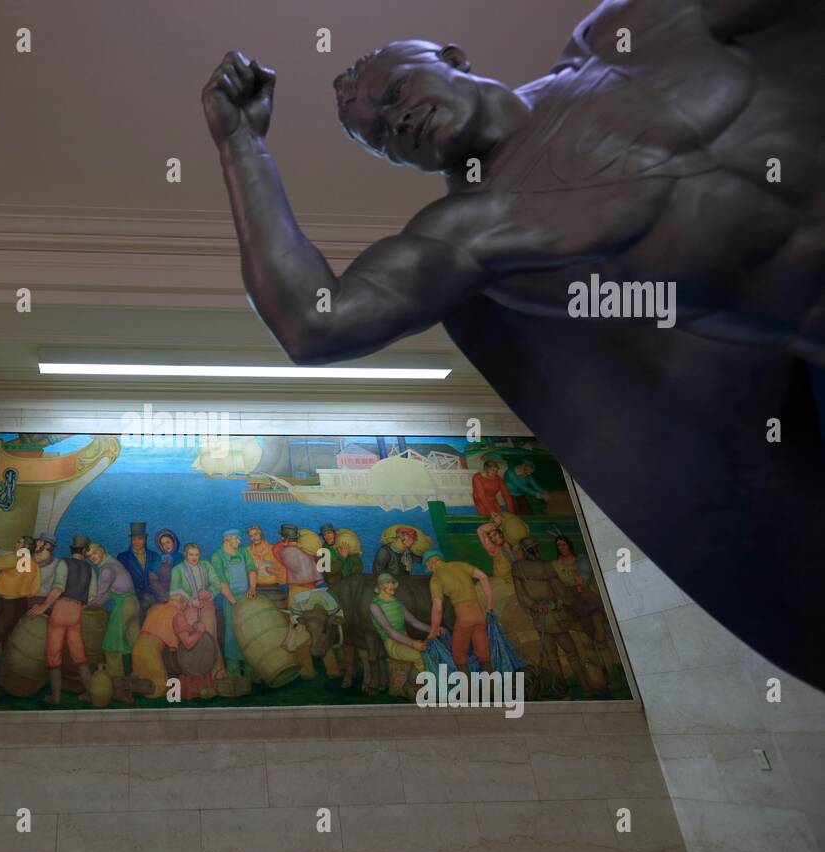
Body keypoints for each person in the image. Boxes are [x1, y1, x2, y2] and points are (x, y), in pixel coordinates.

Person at [201, 8, 825, 692]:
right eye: (379, 133)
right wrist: (242, 144)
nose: (394, 120)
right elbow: (315, 324)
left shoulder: (629, 32)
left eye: (396, 91)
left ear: (454, 54)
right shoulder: (480, 229)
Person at [512, 536, 598, 692]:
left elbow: (558, 587)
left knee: (570, 650)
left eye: (536, 548)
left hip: (555, 613)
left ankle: (585, 685)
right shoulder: (518, 568)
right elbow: (521, 595)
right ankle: (560, 687)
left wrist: (559, 600)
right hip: (539, 615)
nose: (536, 551)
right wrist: (535, 605)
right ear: (526, 551)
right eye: (532, 549)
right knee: (551, 653)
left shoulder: (546, 565)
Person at [27, 534, 97, 704]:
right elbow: (92, 597)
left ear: (72, 549)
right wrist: (77, 607)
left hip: (60, 609)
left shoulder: (63, 563)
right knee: (79, 656)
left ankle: (56, 698)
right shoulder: (91, 569)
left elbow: (58, 588)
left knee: (54, 654)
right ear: (85, 551)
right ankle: (90, 694)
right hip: (76, 611)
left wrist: (43, 606)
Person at [0, 524, 40, 669]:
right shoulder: (33, 564)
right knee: (8, 641)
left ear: (25, 548)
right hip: (21, 605)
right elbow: (35, 589)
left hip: (9, 607)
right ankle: (3, 677)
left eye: (19, 542)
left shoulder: (16, 558)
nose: (16, 544)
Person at [423, 549, 494, 675]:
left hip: (464, 617)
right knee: (483, 652)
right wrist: (489, 604)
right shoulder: (459, 565)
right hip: (479, 615)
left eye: (427, 565)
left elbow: (438, 607)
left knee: (458, 653)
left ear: (429, 564)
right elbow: (483, 576)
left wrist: (434, 630)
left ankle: (467, 689)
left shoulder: (435, 578)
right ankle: (492, 688)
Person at [369, 573, 430, 692]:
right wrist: (413, 643)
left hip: (405, 640)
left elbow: (414, 622)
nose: (392, 585)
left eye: (392, 582)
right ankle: (420, 687)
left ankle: (422, 684)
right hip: (393, 644)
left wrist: (433, 629)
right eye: (388, 583)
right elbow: (389, 631)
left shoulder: (397, 603)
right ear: (381, 586)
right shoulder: (375, 606)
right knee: (419, 657)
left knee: (429, 652)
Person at [209, 529, 258, 680]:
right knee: (232, 632)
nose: (239, 541)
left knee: (249, 631)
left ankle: (250, 667)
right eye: (237, 539)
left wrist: (252, 588)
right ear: (227, 539)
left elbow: (252, 570)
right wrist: (233, 601)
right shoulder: (217, 556)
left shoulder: (244, 552)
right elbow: (221, 581)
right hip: (231, 600)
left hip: (247, 598)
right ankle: (233, 669)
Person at [87, 541, 139, 677]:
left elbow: (99, 596)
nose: (92, 557)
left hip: (124, 607)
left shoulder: (106, 569)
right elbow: (110, 594)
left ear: (102, 550)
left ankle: (115, 680)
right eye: (89, 555)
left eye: (94, 553)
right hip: (134, 604)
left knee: (111, 644)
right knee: (135, 642)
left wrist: (86, 606)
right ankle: (139, 673)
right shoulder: (115, 563)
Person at [117, 521, 162, 613]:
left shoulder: (155, 556)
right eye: (134, 539)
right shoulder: (123, 557)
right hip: (132, 597)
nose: (136, 542)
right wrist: (141, 595)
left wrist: (154, 596)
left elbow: (158, 579)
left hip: (154, 598)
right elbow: (123, 582)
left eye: (140, 538)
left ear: (145, 539)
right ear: (130, 540)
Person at [151, 528, 183, 603]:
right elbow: (152, 577)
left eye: (168, 542)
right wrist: (161, 592)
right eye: (163, 544)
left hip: (179, 592)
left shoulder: (181, 557)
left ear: (174, 542)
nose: (166, 546)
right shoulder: (158, 559)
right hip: (161, 593)